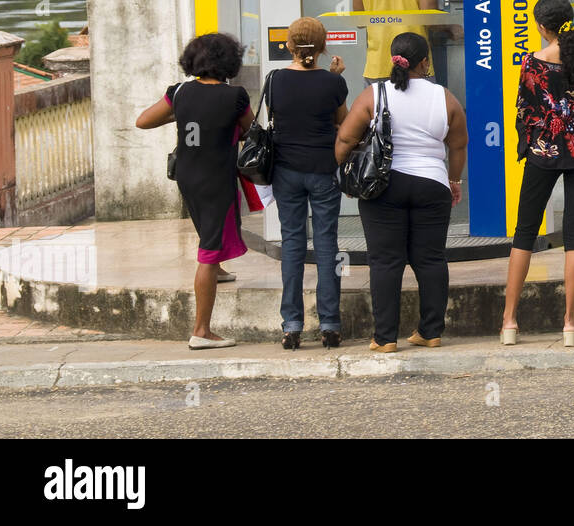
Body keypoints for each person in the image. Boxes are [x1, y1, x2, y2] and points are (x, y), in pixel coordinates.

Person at [335, 32, 467, 352]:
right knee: (431, 259)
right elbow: (458, 144)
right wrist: (453, 180)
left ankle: (385, 338)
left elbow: (345, 141)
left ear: (391, 59)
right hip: (432, 185)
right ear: (425, 62)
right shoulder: (445, 97)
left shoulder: (373, 95)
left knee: (385, 262)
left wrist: (348, 176)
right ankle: (431, 332)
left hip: (383, 187)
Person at [136, 33, 253, 350]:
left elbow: (143, 121)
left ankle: (219, 268)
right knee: (210, 247)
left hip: (187, 174)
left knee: (208, 226)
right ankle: (201, 331)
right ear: (229, 62)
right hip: (217, 177)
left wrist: (182, 115)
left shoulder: (179, 92)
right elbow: (249, 131)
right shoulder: (236, 96)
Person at [501, 0, 574, 347]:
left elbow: (523, 111)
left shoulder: (532, 63)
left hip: (543, 154)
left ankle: (509, 323)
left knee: (524, 233)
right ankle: (571, 324)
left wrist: (529, 145)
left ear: (542, 27)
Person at [268, 17, 349, 350]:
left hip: (286, 171)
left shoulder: (274, 80)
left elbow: (278, 116)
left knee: (292, 244)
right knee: (328, 243)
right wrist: (334, 79)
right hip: (323, 170)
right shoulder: (333, 84)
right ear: (322, 46)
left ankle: (292, 325)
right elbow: (343, 123)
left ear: (288, 45)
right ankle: (329, 324)